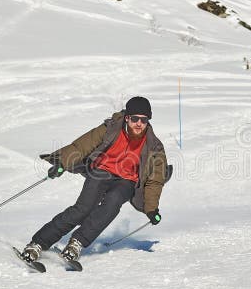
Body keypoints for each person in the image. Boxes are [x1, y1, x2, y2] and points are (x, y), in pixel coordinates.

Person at [21, 96, 168, 263]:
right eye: (135, 119)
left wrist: (151, 209)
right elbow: (81, 146)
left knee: (113, 202)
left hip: (127, 180)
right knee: (83, 208)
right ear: (127, 118)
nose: (139, 124)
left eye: (144, 119)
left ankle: (77, 243)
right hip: (101, 171)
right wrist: (62, 162)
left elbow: (155, 180)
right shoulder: (111, 128)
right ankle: (37, 243)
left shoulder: (154, 146)